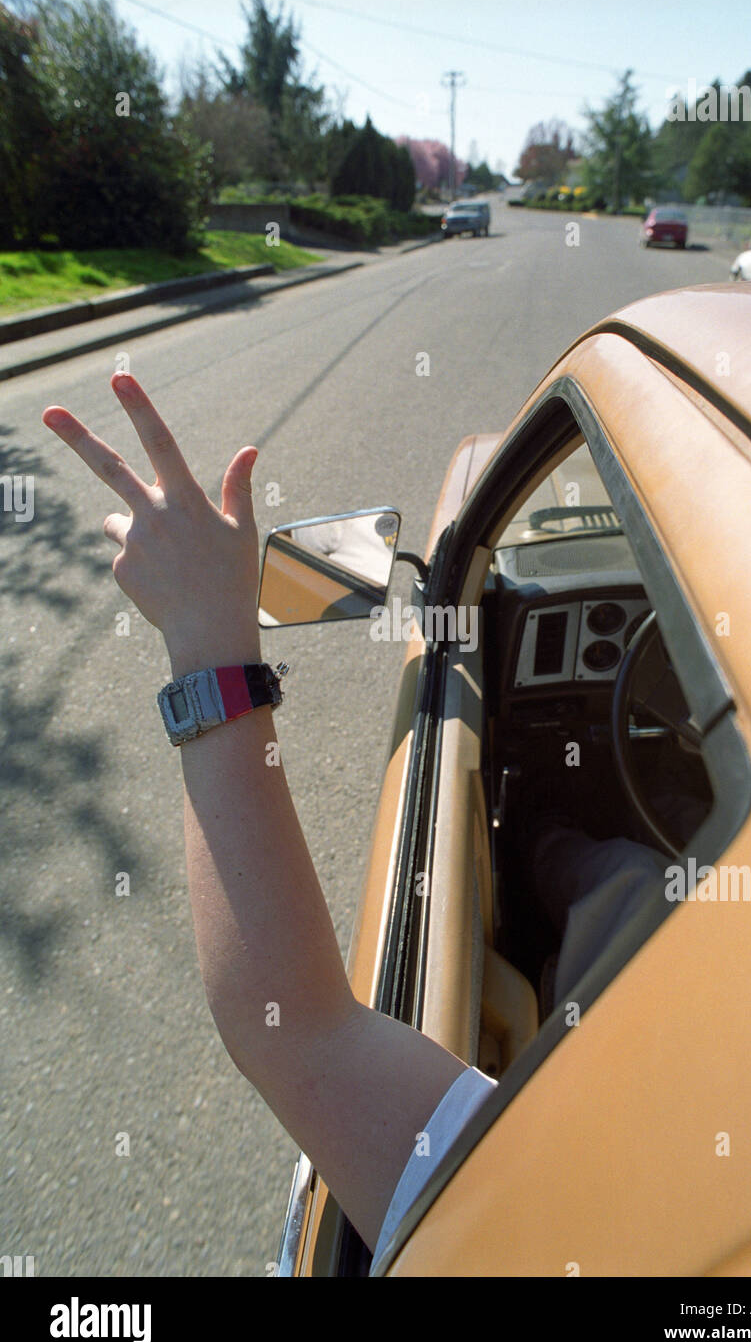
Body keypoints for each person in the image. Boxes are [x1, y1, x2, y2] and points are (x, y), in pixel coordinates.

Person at [42, 373, 681, 1272]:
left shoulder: (569, 1211)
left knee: (629, 883)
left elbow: (293, 1029)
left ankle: (542, 843)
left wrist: (206, 633)